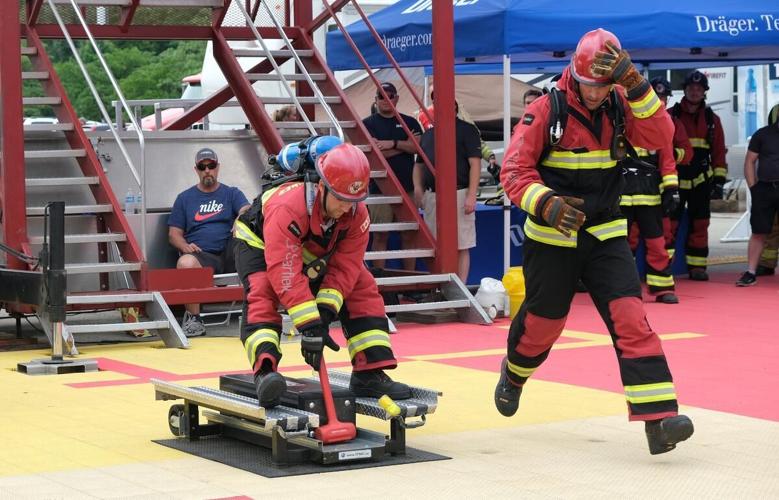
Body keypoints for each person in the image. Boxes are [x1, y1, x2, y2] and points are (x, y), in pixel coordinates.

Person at [495, 29, 693, 455]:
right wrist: (546, 204)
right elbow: (512, 173)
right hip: (552, 236)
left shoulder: (623, 103)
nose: (598, 94)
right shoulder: (547, 110)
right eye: (592, 86)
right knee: (544, 325)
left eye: (607, 86)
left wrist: (638, 87)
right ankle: (513, 374)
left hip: (605, 231)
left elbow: (661, 139)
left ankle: (659, 420)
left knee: (631, 319)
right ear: (574, 75)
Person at [233, 141, 411, 407]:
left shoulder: (357, 214)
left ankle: (369, 372)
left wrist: (325, 314)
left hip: (309, 248)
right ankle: (265, 371)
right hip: (259, 243)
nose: (346, 208)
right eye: (340, 199)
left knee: (362, 284)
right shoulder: (288, 206)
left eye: (354, 201)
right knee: (262, 292)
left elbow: (346, 267)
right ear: (321, 187)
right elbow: (286, 272)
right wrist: (309, 326)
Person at [619, 76, 689, 304]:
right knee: (623, 243)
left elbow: (667, 159)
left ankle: (661, 288)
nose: (658, 102)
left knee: (657, 242)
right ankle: (626, 288)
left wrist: (672, 189)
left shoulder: (662, 122)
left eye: (662, 97)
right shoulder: (622, 118)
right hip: (623, 190)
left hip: (649, 193)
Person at [168, 148, 250, 336]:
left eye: (211, 166)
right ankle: (194, 320)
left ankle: (261, 312)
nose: (207, 170)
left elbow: (246, 208)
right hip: (202, 255)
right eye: (202, 167)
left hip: (231, 251)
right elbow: (174, 234)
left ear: (217, 167)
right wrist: (185, 246)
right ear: (196, 170)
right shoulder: (184, 198)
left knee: (256, 242)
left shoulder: (231, 193)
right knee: (185, 262)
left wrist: (240, 218)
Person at [668, 70, 728, 281]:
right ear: (684, 90)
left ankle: (697, 267)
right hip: (673, 179)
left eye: (699, 89)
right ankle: (665, 267)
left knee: (700, 223)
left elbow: (719, 151)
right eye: (691, 88)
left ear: (704, 92)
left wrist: (719, 180)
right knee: (670, 224)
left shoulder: (712, 119)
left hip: (701, 180)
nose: (695, 92)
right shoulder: (670, 115)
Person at [412, 102, 482, 283]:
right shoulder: (428, 135)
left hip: (459, 193)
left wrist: (472, 195)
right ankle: (439, 286)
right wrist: (418, 188)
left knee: (461, 244)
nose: (438, 107)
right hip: (432, 195)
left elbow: (475, 164)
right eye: (435, 103)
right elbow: (418, 165)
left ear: (454, 108)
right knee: (433, 245)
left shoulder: (468, 130)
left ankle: (461, 288)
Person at [362, 82, 424, 271]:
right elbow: (372, 157)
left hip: (408, 188)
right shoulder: (367, 124)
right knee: (381, 235)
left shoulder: (411, 122)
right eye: (381, 96)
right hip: (379, 189)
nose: (386, 99)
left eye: (390, 95)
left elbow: (417, 147)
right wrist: (403, 145)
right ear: (376, 100)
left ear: (396, 98)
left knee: (409, 235)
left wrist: (390, 143)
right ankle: (379, 282)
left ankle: (410, 281)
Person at [736, 104, 779, 286]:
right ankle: (750, 272)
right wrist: (754, 189)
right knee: (759, 232)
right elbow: (750, 161)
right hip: (765, 189)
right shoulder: (763, 134)